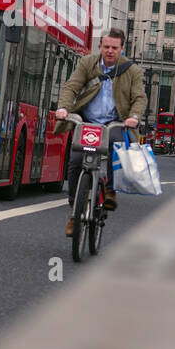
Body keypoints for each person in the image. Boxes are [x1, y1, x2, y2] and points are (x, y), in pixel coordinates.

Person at [54, 28, 146, 237]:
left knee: (116, 145)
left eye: (114, 47)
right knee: (75, 161)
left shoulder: (132, 71)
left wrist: (134, 117)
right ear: (100, 47)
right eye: (106, 47)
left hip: (115, 123)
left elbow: (139, 98)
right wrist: (64, 108)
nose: (110, 51)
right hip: (87, 122)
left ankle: (111, 190)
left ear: (121, 49)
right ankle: (74, 212)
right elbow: (71, 87)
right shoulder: (88, 63)